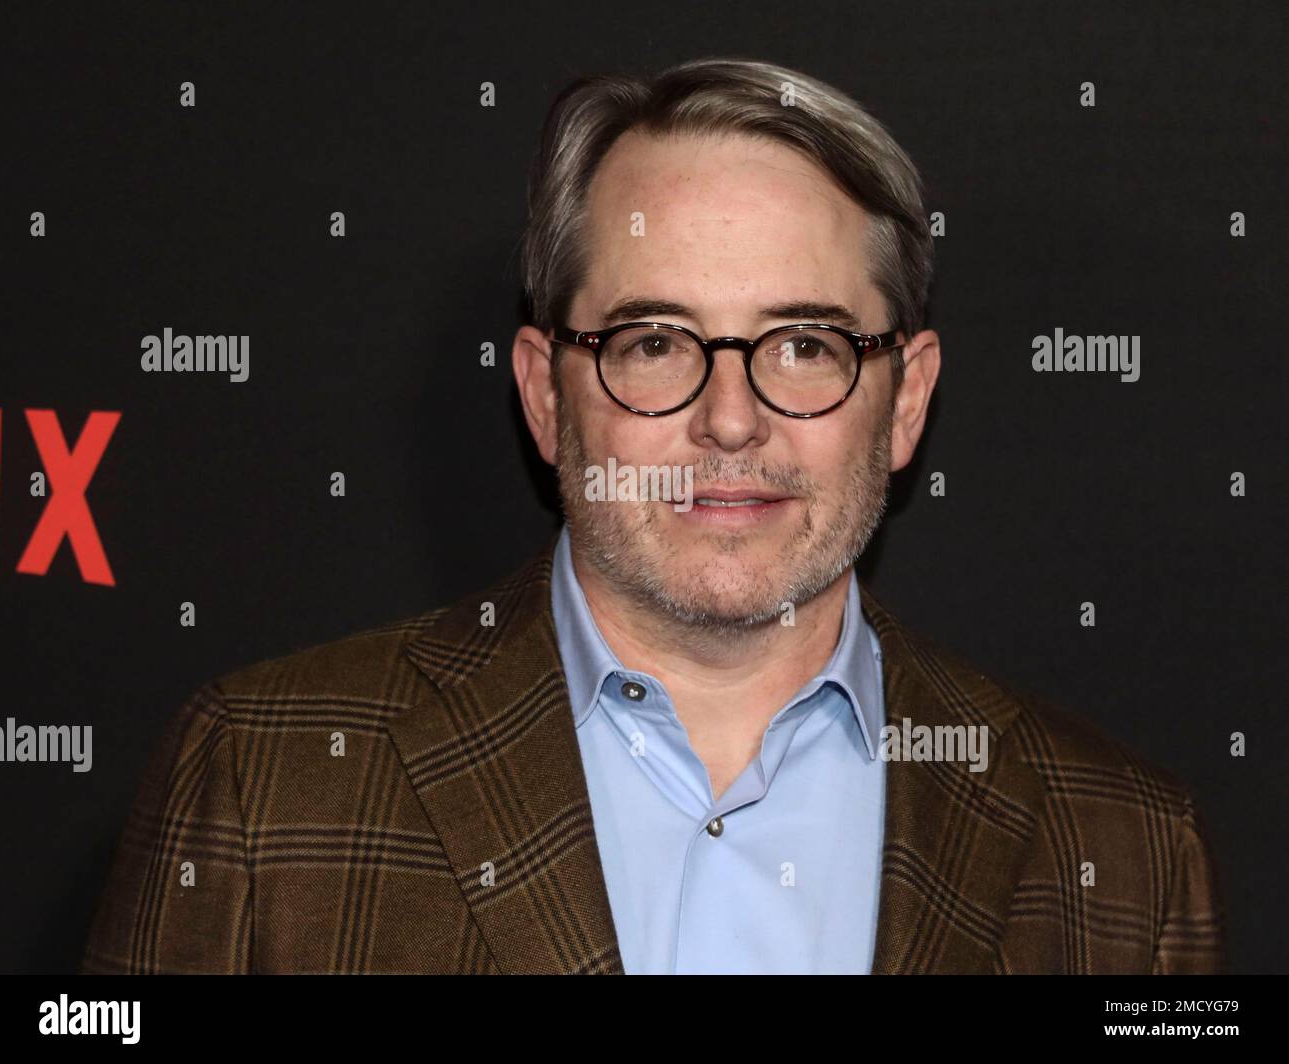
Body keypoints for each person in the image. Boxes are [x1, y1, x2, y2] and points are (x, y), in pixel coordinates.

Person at [82, 57, 1225, 974]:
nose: (731, 420)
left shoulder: (1117, 847)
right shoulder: (265, 780)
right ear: (543, 391)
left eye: (803, 345)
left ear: (905, 398)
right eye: (654, 344)